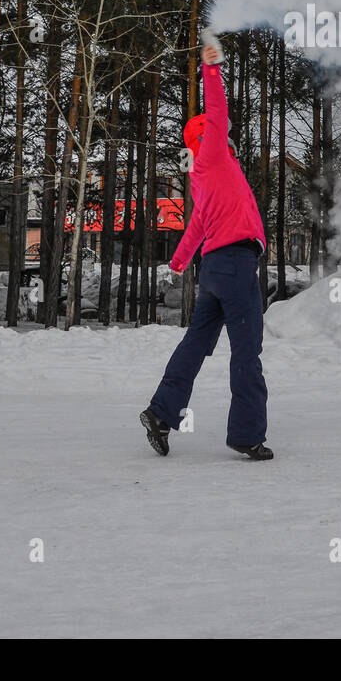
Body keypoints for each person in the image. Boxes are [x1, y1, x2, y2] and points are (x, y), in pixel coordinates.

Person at [140, 37, 272, 460]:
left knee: (196, 342)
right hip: (234, 266)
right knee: (247, 350)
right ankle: (247, 434)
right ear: (208, 137)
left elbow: (197, 226)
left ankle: (161, 412)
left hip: (214, 269)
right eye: (221, 134)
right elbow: (218, 111)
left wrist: (178, 262)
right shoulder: (212, 154)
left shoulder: (205, 177)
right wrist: (211, 68)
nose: (227, 136)